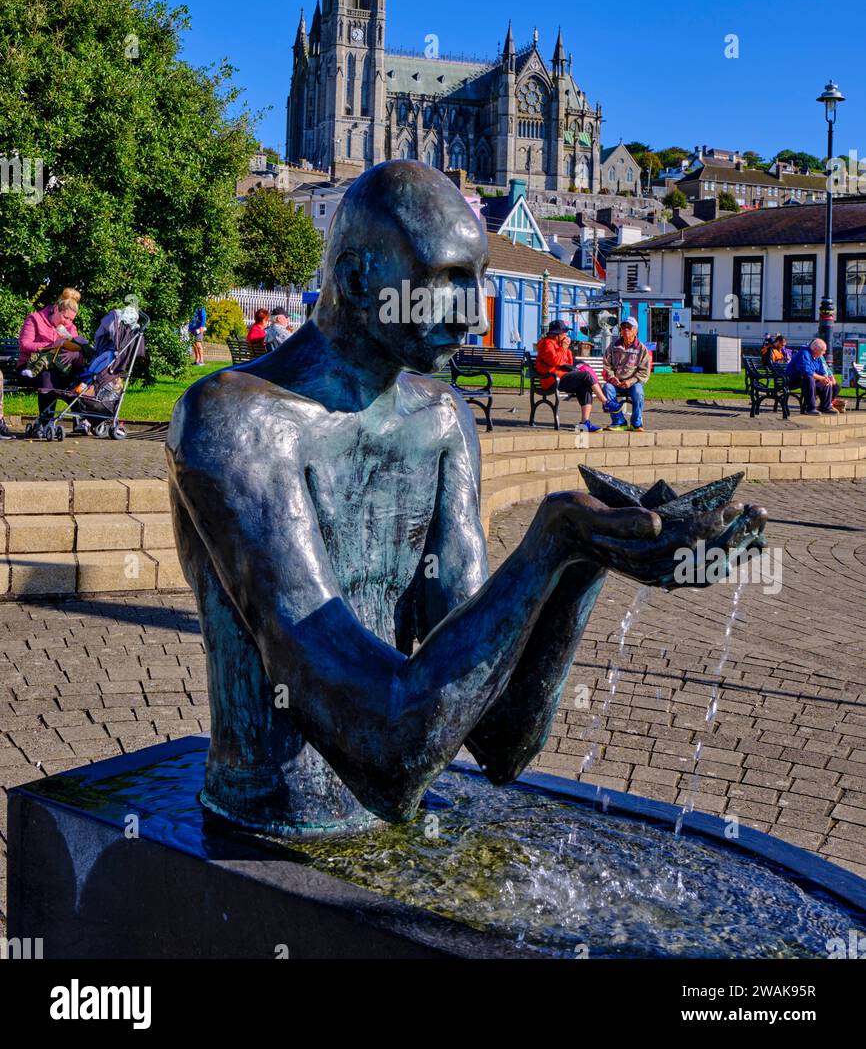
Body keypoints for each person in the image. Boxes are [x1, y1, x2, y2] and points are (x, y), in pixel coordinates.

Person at [166, 159, 767, 837]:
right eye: (446, 281)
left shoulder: (441, 419)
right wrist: (552, 543)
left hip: (382, 821)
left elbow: (501, 739)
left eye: (476, 282)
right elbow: (384, 756)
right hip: (273, 818)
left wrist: (588, 557)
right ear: (360, 279)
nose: (472, 315)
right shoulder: (235, 423)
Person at [535, 320, 612, 433]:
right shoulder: (546, 344)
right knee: (586, 375)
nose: (566, 335)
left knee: (585, 386)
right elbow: (555, 361)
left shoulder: (557, 344)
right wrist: (563, 348)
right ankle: (606, 402)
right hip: (552, 379)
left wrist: (565, 348)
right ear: (557, 334)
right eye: (564, 333)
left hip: (562, 377)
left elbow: (568, 363)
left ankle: (585, 423)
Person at [17, 296, 89, 415]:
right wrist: (52, 345)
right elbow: (25, 345)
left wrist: (74, 354)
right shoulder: (35, 319)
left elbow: (78, 347)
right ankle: (46, 421)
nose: (67, 322)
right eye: (65, 317)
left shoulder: (70, 327)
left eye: (71, 319)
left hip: (60, 367)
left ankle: (82, 420)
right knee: (48, 375)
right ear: (56, 309)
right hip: (31, 366)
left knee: (80, 376)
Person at [602, 316, 651, 431]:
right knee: (607, 388)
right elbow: (606, 365)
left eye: (629, 327)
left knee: (638, 392)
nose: (625, 329)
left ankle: (636, 423)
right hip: (616, 382)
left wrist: (630, 381)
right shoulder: (613, 346)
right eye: (623, 327)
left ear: (636, 330)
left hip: (633, 383)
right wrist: (612, 378)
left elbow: (644, 372)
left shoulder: (642, 349)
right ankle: (619, 421)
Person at [786, 338, 838, 415]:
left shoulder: (818, 357)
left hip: (804, 380)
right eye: (822, 350)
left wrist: (825, 378)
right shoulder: (804, 353)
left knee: (827, 383)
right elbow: (806, 371)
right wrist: (821, 378)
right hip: (793, 380)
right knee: (809, 378)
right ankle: (810, 408)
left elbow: (822, 371)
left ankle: (826, 407)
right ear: (815, 349)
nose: (824, 353)